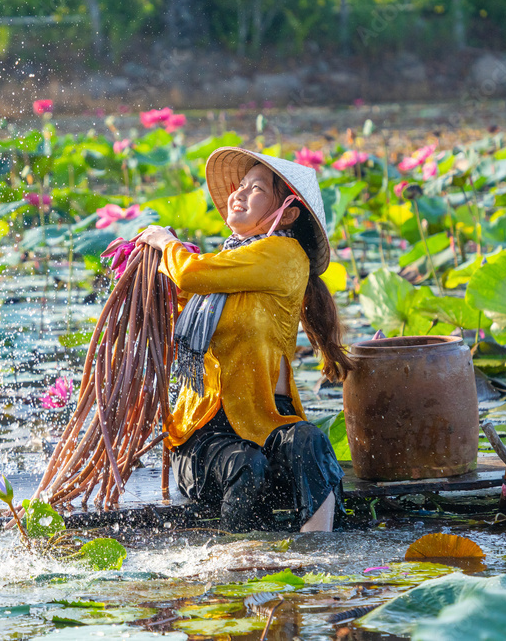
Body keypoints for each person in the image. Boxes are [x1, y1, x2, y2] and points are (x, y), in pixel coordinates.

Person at [136, 147, 353, 533]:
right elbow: (184, 290)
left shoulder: (285, 255)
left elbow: (189, 276)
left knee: (309, 441)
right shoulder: (224, 263)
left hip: (267, 421)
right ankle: (239, 567)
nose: (237, 193)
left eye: (255, 189)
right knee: (244, 464)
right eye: (240, 186)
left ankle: (317, 556)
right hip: (205, 434)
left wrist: (165, 243)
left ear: (287, 212)